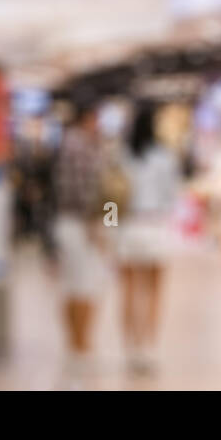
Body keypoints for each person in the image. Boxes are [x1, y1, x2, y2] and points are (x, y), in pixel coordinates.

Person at [116, 102, 179, 374]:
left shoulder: (122, 155)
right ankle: (149, 349)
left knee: (129, 290)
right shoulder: (164, 157)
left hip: (128, 226)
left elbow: (113, 194)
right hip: (154, 225)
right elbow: (170, 197)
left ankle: (131, 349)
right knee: (154, 291)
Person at [52, 98, 110, 384]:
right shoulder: (83, 147)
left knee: (72, 285)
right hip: (81, 224)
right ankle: (82, 346)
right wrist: (96, 226)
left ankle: (74, 346)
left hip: (67, 222)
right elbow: (88, 190)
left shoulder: (67, 144)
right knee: (87, 285)